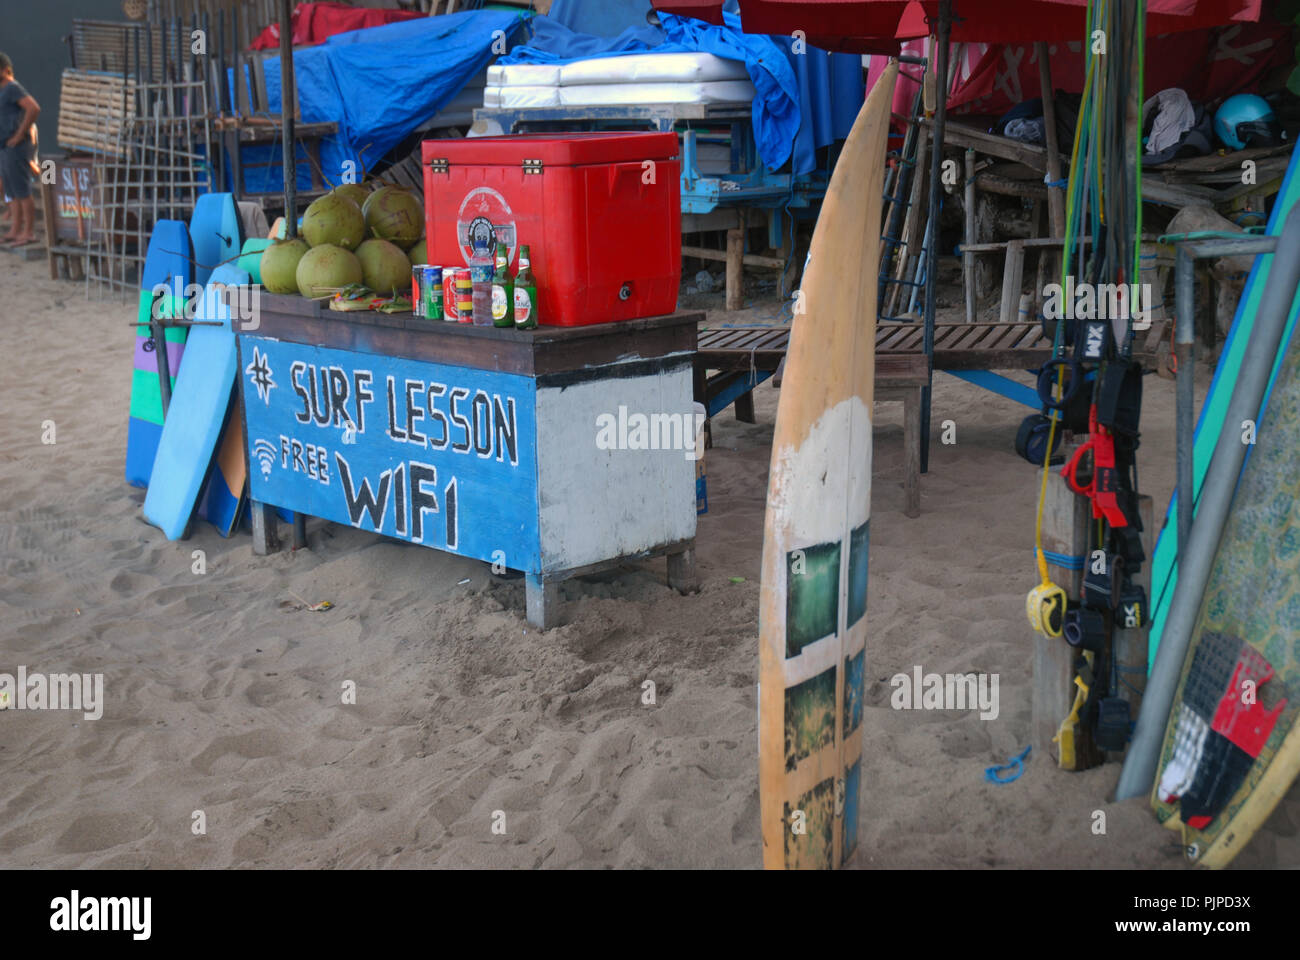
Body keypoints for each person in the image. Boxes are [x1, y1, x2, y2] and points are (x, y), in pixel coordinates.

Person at [0, 52, 41, 247]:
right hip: (4, 147)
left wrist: (18, 135)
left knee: (23, 191)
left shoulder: (12, 88)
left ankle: (29, 232)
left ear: (5, 70)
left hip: (16, 146)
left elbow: (33, 108)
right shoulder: (2, 91)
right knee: (11, 192)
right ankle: (15, 230)